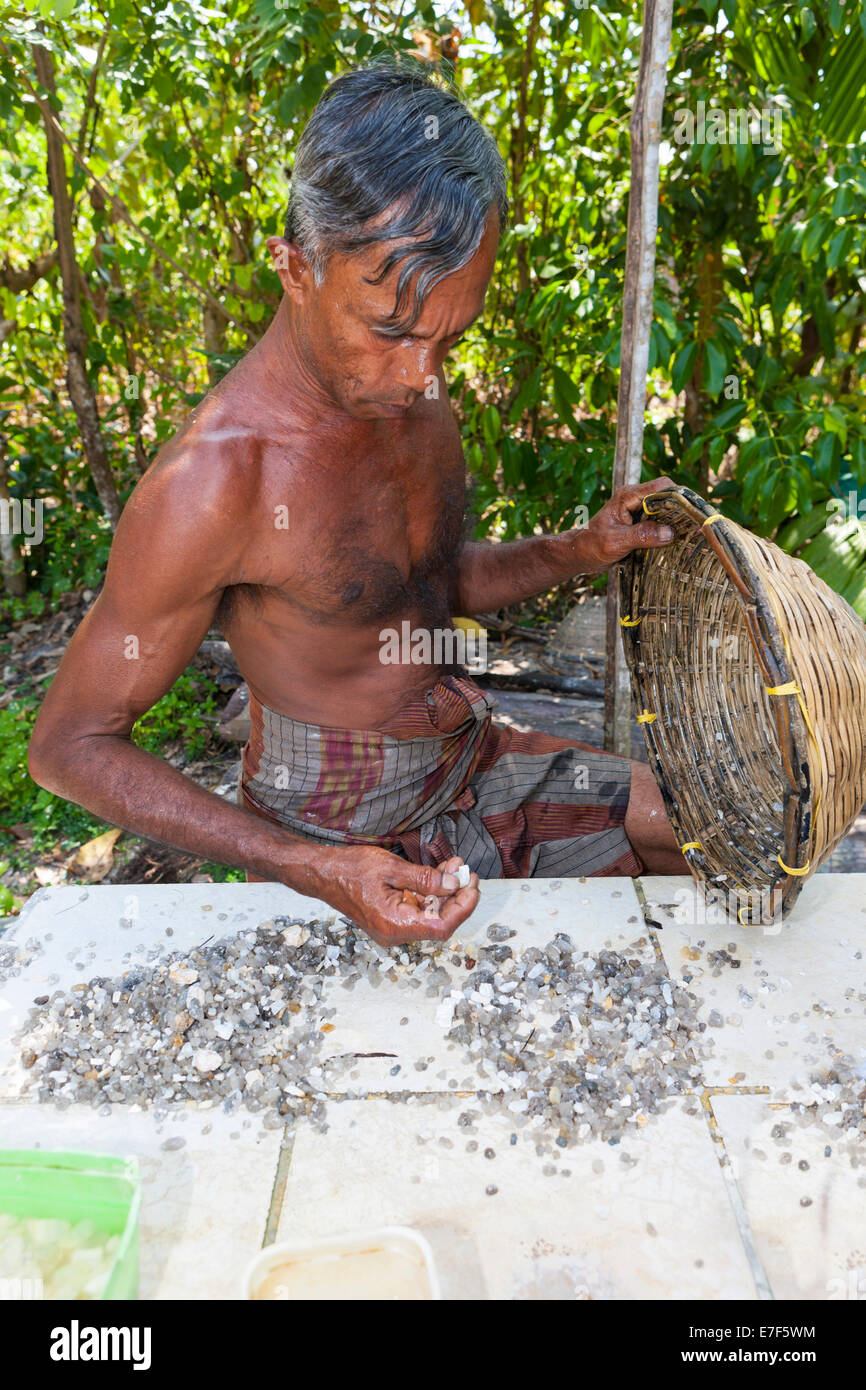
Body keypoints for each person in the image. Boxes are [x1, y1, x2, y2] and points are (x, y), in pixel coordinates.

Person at [28, 63, 686, 949]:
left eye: (451, 336)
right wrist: (311, 868)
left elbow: (423, 584)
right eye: (392, 333)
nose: (424, 375)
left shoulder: (412, 384)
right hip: (332, 826)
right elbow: (69, 745)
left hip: (470, 754)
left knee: (697, 834)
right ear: (295, 267)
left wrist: (578, 549)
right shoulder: (216, 485)